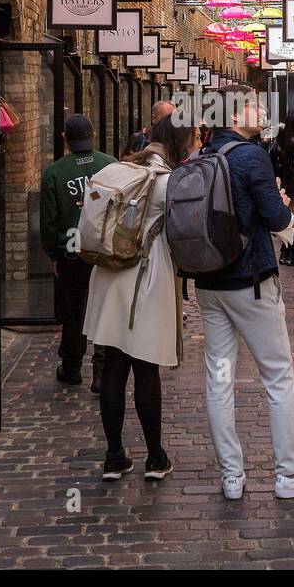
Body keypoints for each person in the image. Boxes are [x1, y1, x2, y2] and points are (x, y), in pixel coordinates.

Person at [187, 84, 294, 501]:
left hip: (209, 284)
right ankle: (287, 474)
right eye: (251, 105)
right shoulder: (250, 156)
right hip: (250, 283)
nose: (259, 110)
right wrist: (286, 208)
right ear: (234, 117)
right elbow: (277, 218)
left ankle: (232, 477)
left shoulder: (202, 156)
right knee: (278, 376)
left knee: (218, 378)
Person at [83, 115, 198, 481]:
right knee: (146, 368)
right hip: (146, 278)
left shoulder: (123, 167)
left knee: (114, 367)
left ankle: (114, 456)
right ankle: (155, 456)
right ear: (180, 143)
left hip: (109, 276)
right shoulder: (168, 183)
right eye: (193, 140)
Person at [41, 114, 116, 390]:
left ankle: (72, 366)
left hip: (72, 250)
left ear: (64, 139)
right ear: (93, 133)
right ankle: (101, 370)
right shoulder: (110, 165)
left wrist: (52, 253)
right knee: (104, 309)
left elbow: (48, 221)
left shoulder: (54, 173)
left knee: (73, 310)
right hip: (103, 248)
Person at [269, 111, 294, 266]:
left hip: (283, 183)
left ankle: (285, 251)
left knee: (288, 218)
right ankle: (293, 251)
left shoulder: (279, 142)